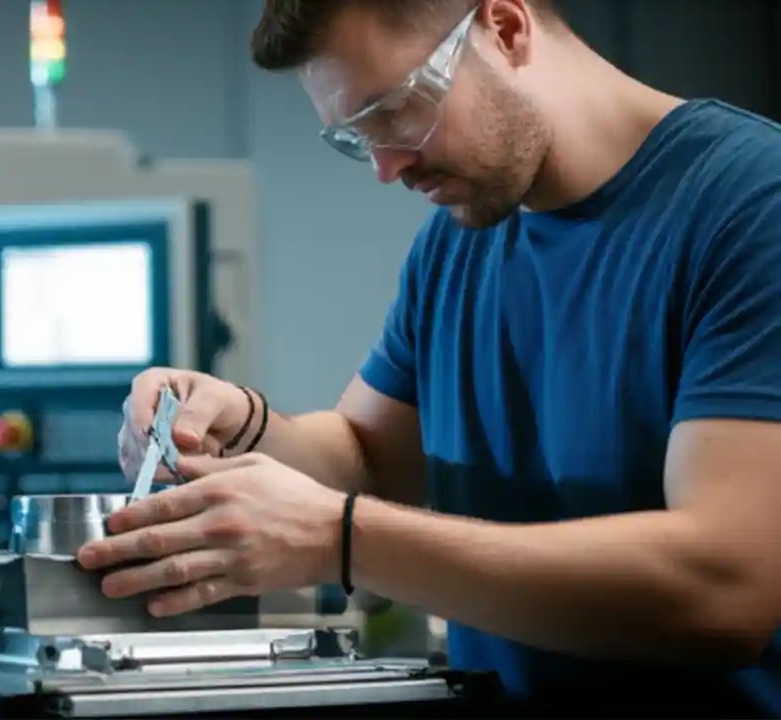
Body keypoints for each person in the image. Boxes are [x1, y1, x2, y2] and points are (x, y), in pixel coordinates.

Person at [76, 0, 781, 715]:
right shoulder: (462, 239)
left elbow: (724, 590)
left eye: (397, 110)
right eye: (356, 137)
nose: (386, 167)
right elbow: (372, 458)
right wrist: (246, 425)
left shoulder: (752, 206)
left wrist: (339, 537)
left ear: (504, 29)